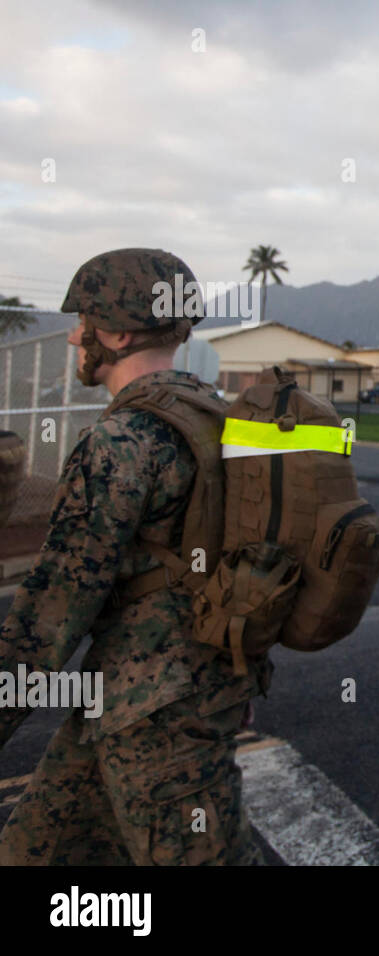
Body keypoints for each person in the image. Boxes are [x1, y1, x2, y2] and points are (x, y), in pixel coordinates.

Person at [0, 248, 269, 865]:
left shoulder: (121, 442)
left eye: (85, 321)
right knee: (32, 851)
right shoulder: (217, 417)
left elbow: (51, 613)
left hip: (160, 723)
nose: (75, 335)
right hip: (138, 701)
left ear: (117, 333)